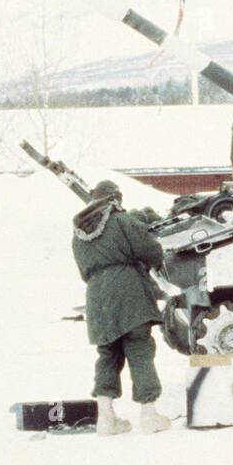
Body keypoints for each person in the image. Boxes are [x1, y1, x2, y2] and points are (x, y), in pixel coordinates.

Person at [72, 180, 168, 436]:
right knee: (139, 349)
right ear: (114, 198)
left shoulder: (78, 232)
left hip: (97, 296)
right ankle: (149, 416)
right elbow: (151, 251)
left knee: (108, 354)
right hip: (128, 291)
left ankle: (106, 419)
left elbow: (83, 271)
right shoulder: (121, 220)